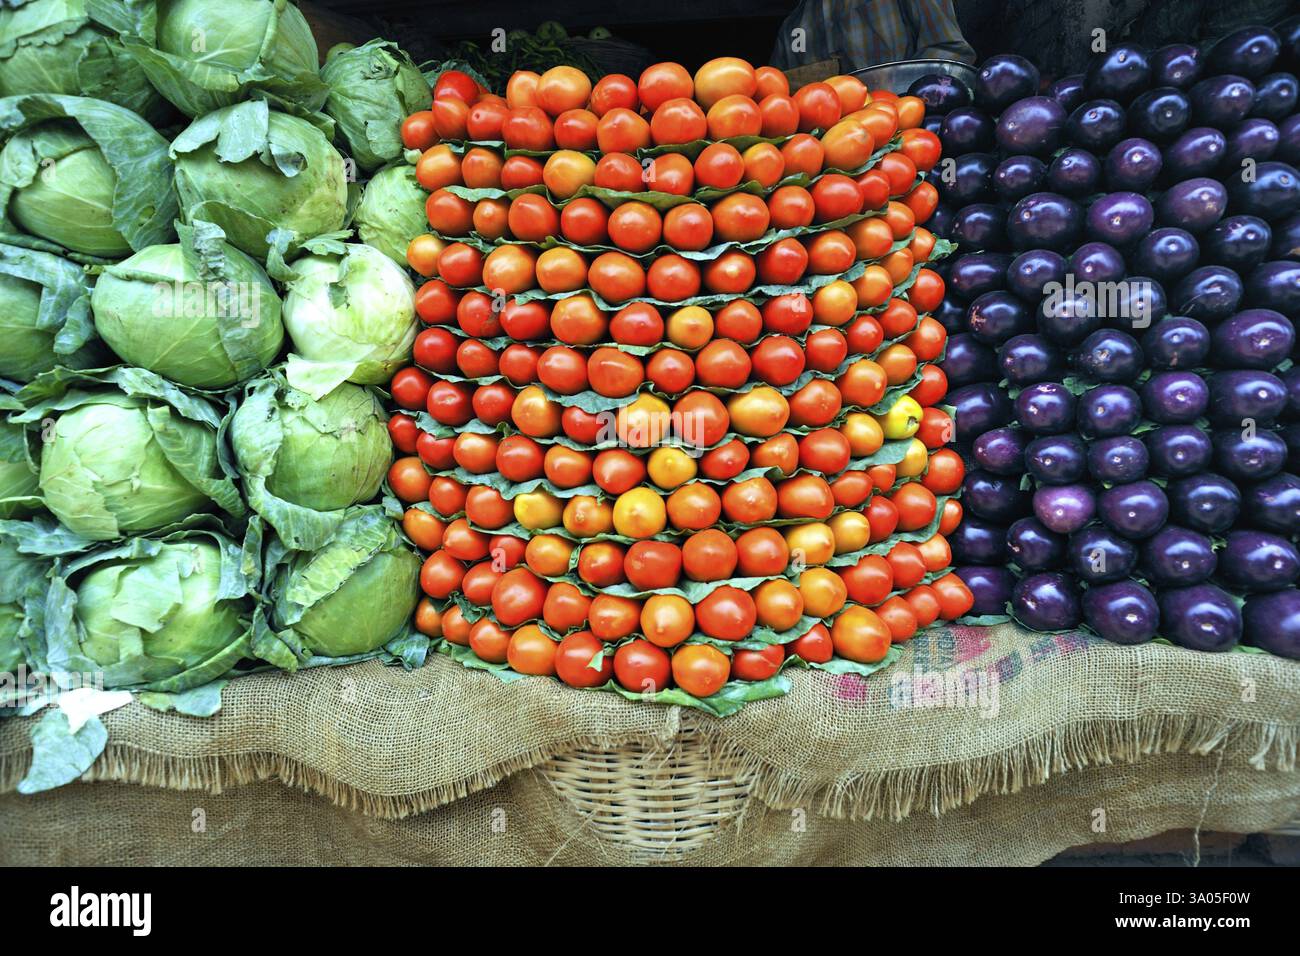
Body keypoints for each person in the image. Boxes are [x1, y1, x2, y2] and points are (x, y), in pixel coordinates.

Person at [771, 0, 975, 71]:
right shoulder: (793, 30)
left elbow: (949, 51)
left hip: (912, 138)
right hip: (843, 155)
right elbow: (778, 103)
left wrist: (907, 102)